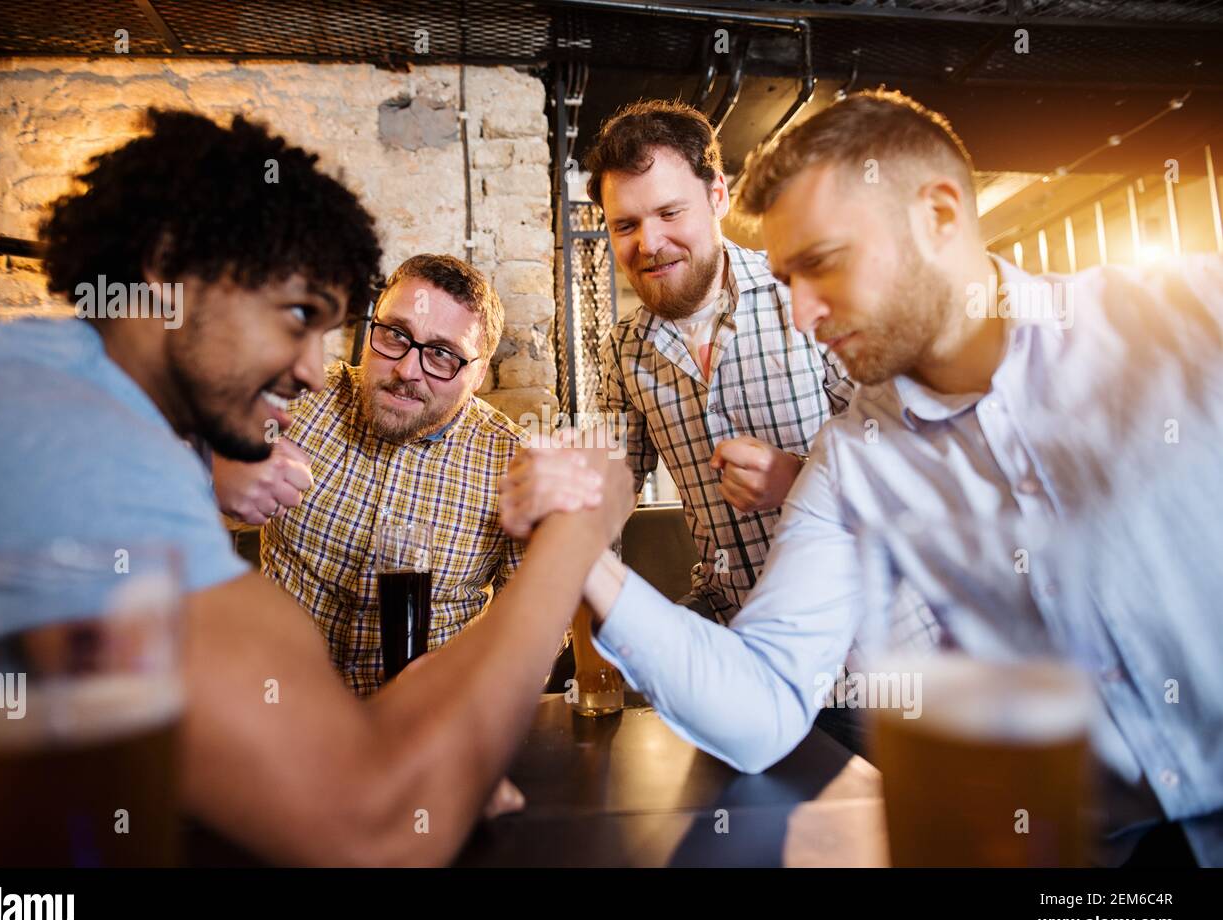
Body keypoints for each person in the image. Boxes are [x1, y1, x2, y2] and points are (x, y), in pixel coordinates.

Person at [502, 90, 1223, 865]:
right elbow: (768, 693)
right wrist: (584, 555)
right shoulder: (856, 456)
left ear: (940, 215)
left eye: (824, 265)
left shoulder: (1185, 315)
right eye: (788, 275)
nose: (803, 311)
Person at [0, 108, 632, 866]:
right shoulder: (82, 439)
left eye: (323, 329)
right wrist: (582, 532)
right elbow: (371, 824)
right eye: (297, 316)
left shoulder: (16, 371)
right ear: (169, 267)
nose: (306, 369)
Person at [583, 99, 853, 624]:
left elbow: (908, 460)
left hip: (854, 647)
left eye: (669, 213)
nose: (649, 243)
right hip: (734, 642)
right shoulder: (625, 349)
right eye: (625, 225)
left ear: (717, 196)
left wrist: (799, 479)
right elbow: (612, 490)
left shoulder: (805, 296)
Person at [213, 254, 528, 695]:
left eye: (441, 354)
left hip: (422, 726)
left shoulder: (513, 464)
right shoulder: (298, 400)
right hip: (275, 708)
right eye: (396, 335)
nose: (406, 370)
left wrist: (467, 676)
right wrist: (211, 470)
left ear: (478, 374)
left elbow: (537, 625)